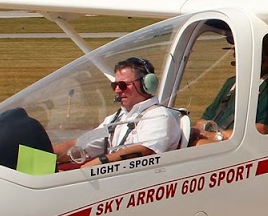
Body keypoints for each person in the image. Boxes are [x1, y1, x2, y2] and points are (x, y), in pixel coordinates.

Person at [56, 57, 184, 166]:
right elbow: (83, 145)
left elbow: (148, 151)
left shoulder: (158, 116)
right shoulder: (114, 119)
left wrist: (99, 163)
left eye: (123, 85)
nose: (117, 90)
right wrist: (47, 153)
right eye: (114, 85)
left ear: (146, 84)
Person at [194, 34, 268, 142]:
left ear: (265, 58)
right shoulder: (232, 82)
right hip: (217, 139)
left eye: (240, 51)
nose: (234, 56)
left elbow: (264, 129)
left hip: (238, 146)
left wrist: (218, 137)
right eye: (235, 51)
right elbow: (204, 118)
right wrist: (201, 132)